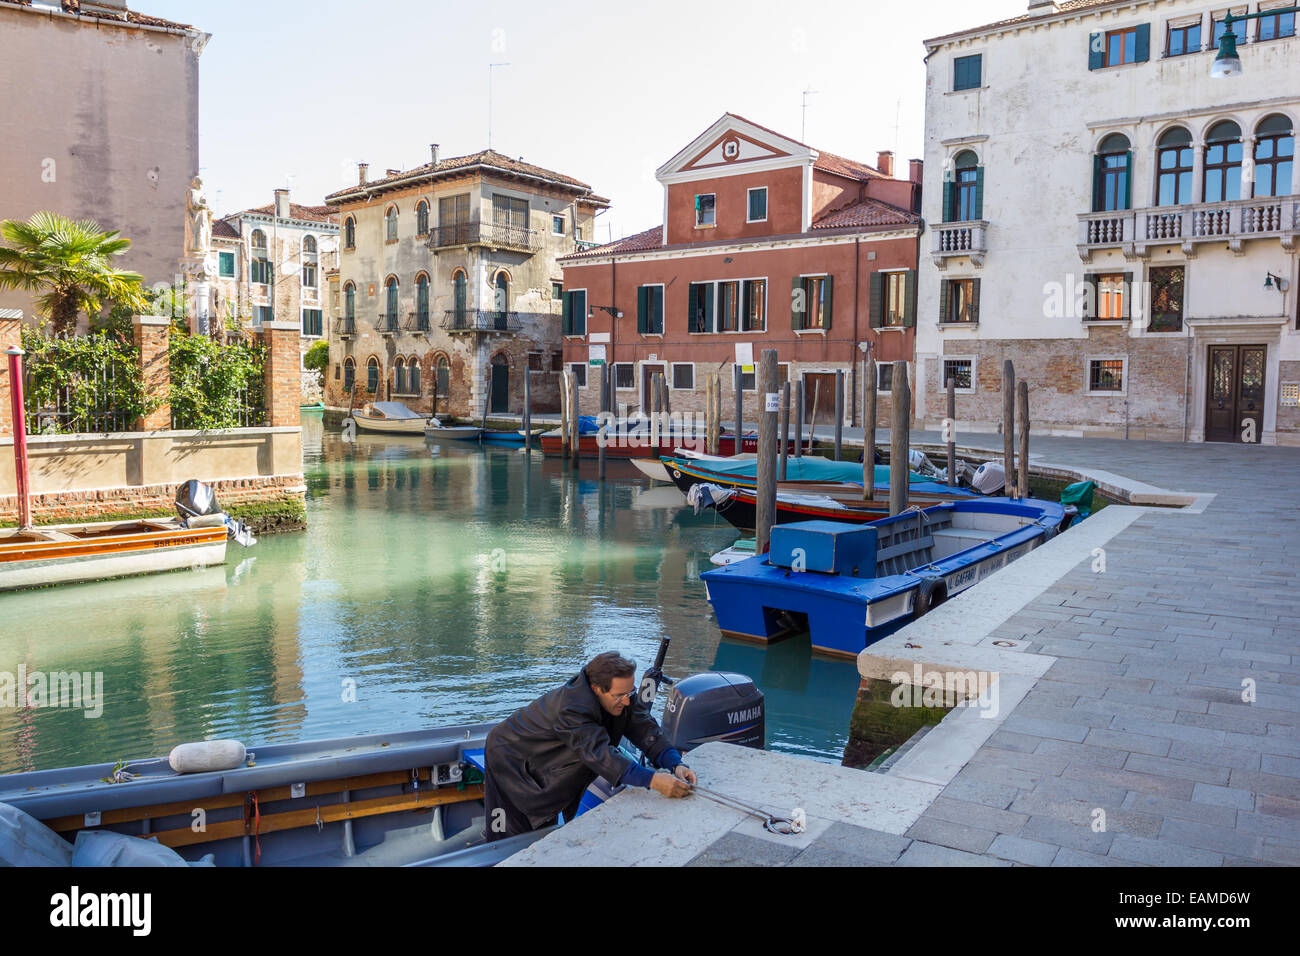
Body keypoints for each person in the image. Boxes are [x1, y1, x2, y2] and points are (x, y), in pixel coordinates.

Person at [482, 651, 697, 842]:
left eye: (630, 693)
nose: (627, 701)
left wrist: (675, 763)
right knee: (509, 833)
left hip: (552, 758)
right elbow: (602, 756)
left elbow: (646, 730)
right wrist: (652, 780)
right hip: (508, 755)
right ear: (597, 689)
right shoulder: (571, 710)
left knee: (545, 824)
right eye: (620, 696)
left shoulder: (622, 699)